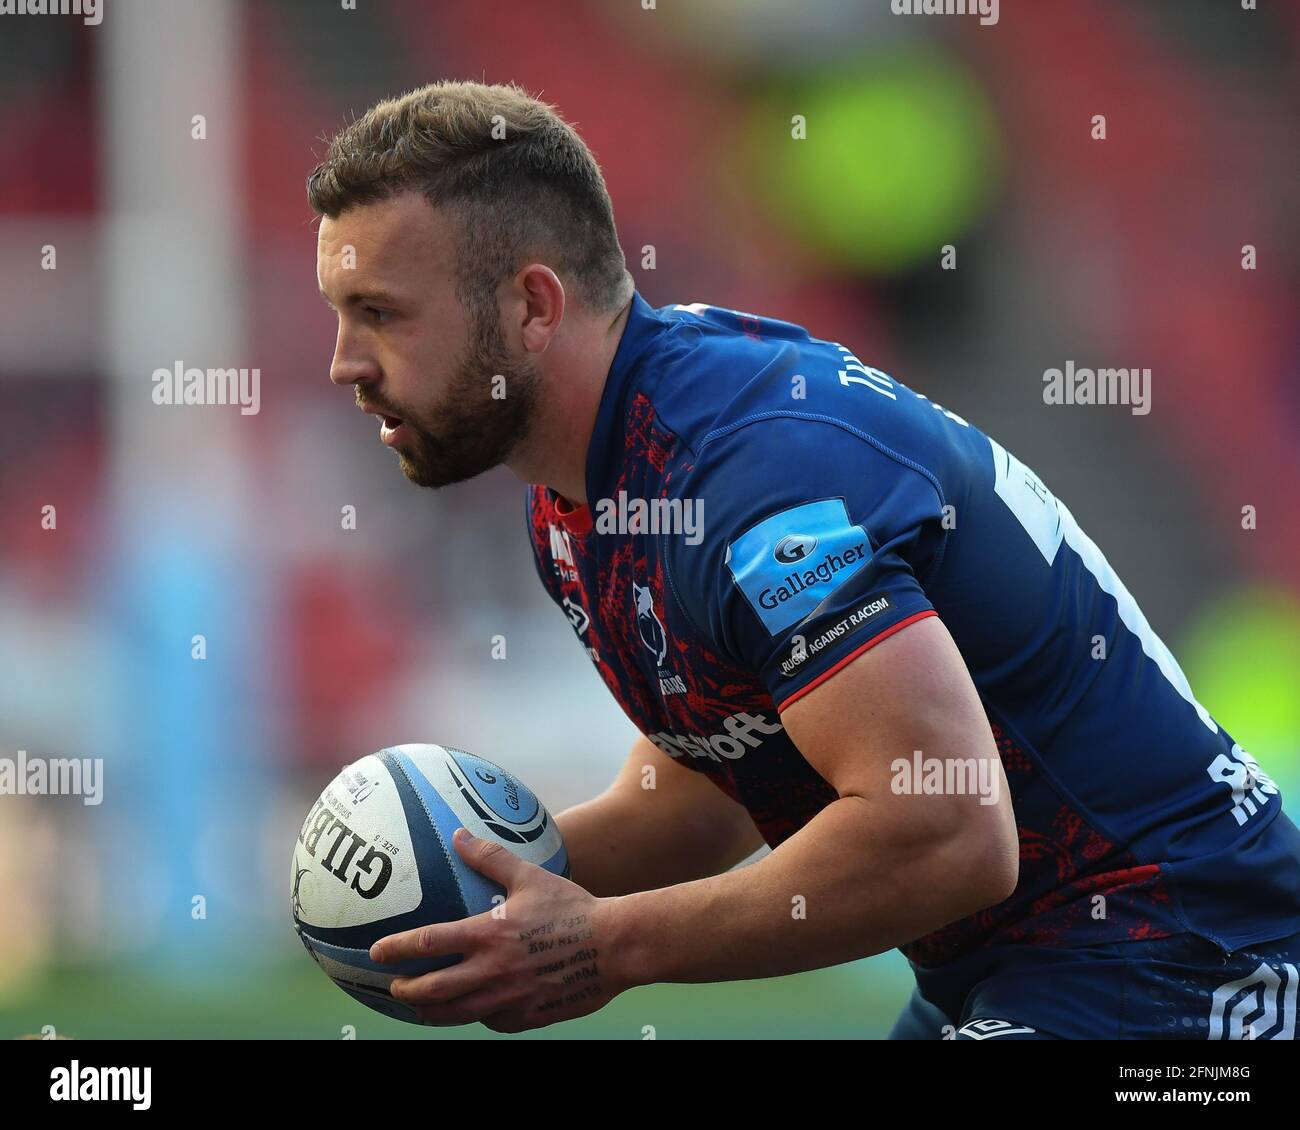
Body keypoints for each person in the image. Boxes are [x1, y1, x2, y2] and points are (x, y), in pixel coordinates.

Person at [308, 80, 1300, 1038]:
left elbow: (948, 831)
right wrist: (472, 877)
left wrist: (603, 945)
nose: (344, 361)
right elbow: (718, 783)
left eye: (381, 311)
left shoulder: (755, 476)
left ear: (532, 306)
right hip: (1032, 969)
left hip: (1184, 956)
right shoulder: (587, 496)